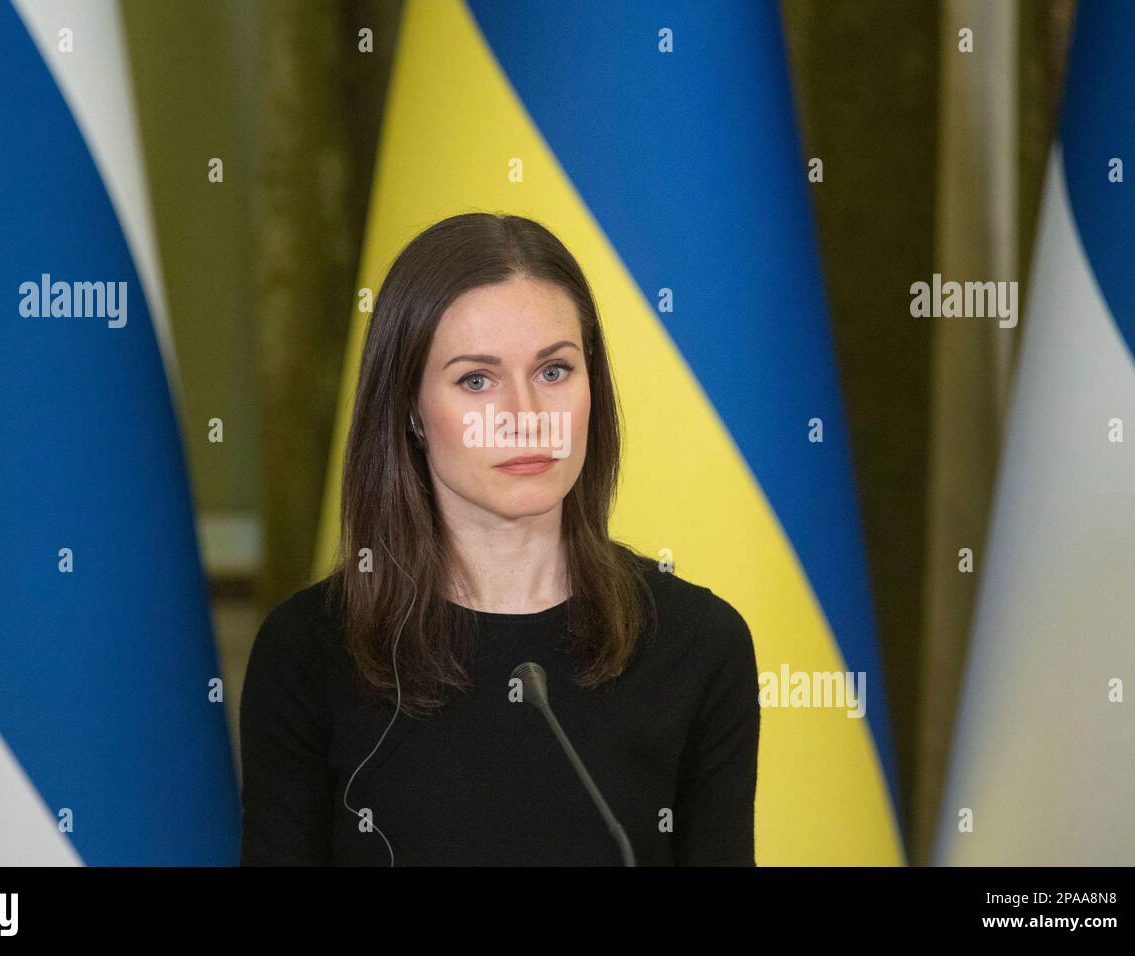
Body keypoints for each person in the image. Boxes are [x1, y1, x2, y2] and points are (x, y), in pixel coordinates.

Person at [238, 212, 760, 866]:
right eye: (476, 380)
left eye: (553, 372)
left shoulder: (698, 645)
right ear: (411, 412)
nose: (524, 418)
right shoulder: (309, 652)